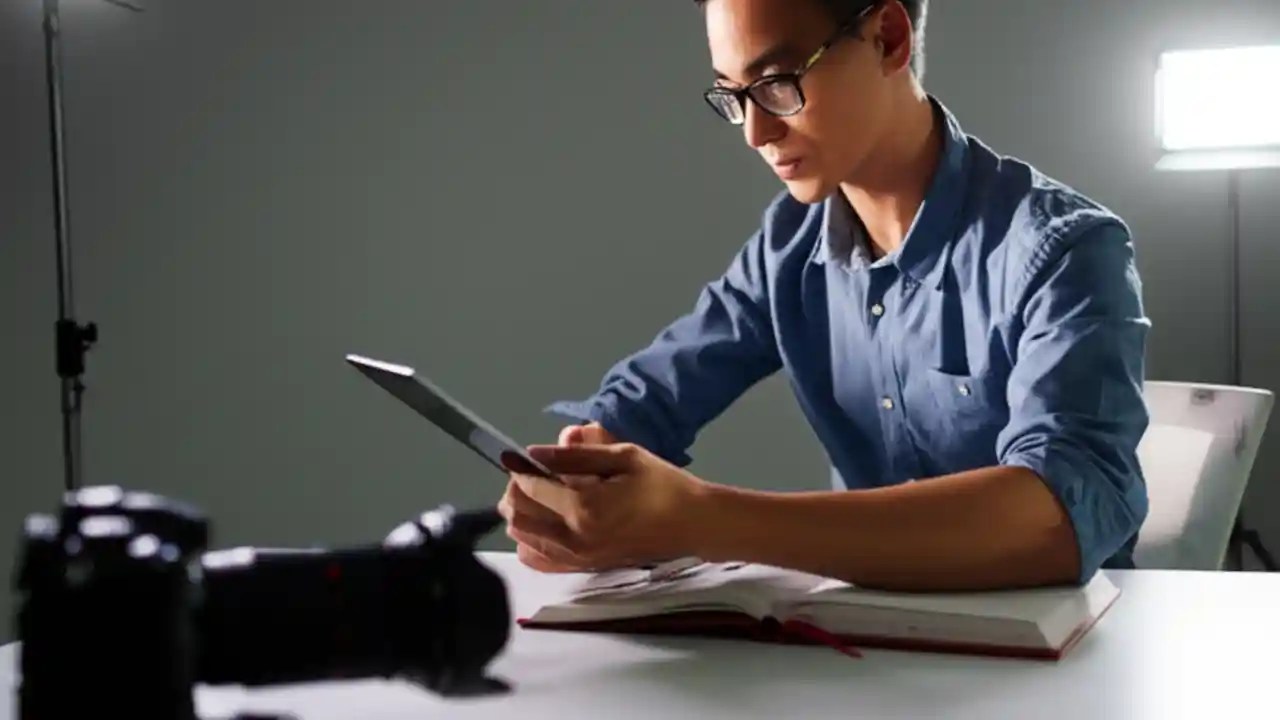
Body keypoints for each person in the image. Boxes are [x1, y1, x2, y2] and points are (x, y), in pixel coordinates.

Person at [497, 0, 1150, 592]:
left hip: (1062, 663)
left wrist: (701, 517)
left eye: (778, 84)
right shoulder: (789, 246)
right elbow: (651, 398)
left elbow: (1059, 513)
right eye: (733, 96)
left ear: (887, 38)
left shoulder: (1063, 249)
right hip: (870, 649)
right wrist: (577, 481)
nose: (755, 132)